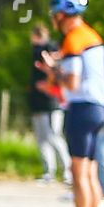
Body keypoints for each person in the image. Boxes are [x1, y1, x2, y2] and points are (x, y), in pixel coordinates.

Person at [37, 0, 104, 207]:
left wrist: (52, 72)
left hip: (81, 108)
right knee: (89, 172)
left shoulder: (73, 39)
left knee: (78, 172)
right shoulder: (91, 34)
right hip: (99, 107)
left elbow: (72, 81)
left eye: (54, 14)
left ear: (62, 13)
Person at [27, 24, 69, 185]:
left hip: (52, 103)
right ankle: (48, 171)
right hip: (38, 102)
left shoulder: (49, 48)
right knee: (42, 138)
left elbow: (57, 69)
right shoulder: (36, 52)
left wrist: (49, 67)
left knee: (54, 136)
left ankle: (67, 171)